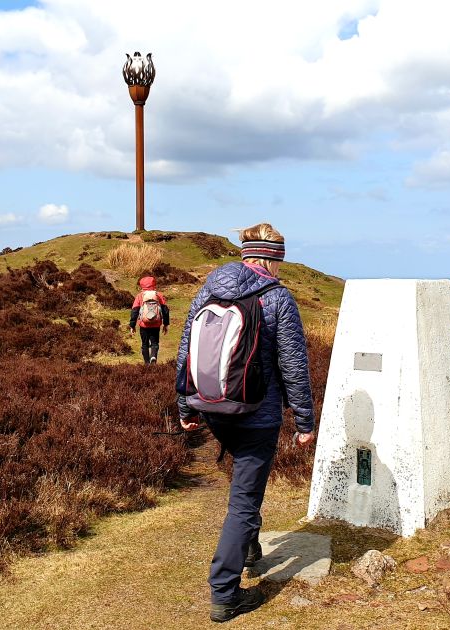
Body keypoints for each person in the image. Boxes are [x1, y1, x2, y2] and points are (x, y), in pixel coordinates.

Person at [174, 222, 316, 623]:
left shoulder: (208, 290)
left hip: (211, 406)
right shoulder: (278, 299)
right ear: (273, 259)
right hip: (258, 415)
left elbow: (186, 352)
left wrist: (186, 407)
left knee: (244, 488)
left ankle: (250, 548)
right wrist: (304, 419)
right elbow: (293, 365)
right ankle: (225, 593)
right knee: (244, 501)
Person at [129, 275, 169, 364]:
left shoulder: (140, 296)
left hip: (144, 325)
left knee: (145, 344)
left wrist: (132, 325)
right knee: (155, 343)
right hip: (156, 324)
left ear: (141, 285)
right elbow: (165, 310)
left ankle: (147, 364)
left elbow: (134, 311)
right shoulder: (158, 295)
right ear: (154, 284)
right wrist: (165, 324)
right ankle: (153, 356)